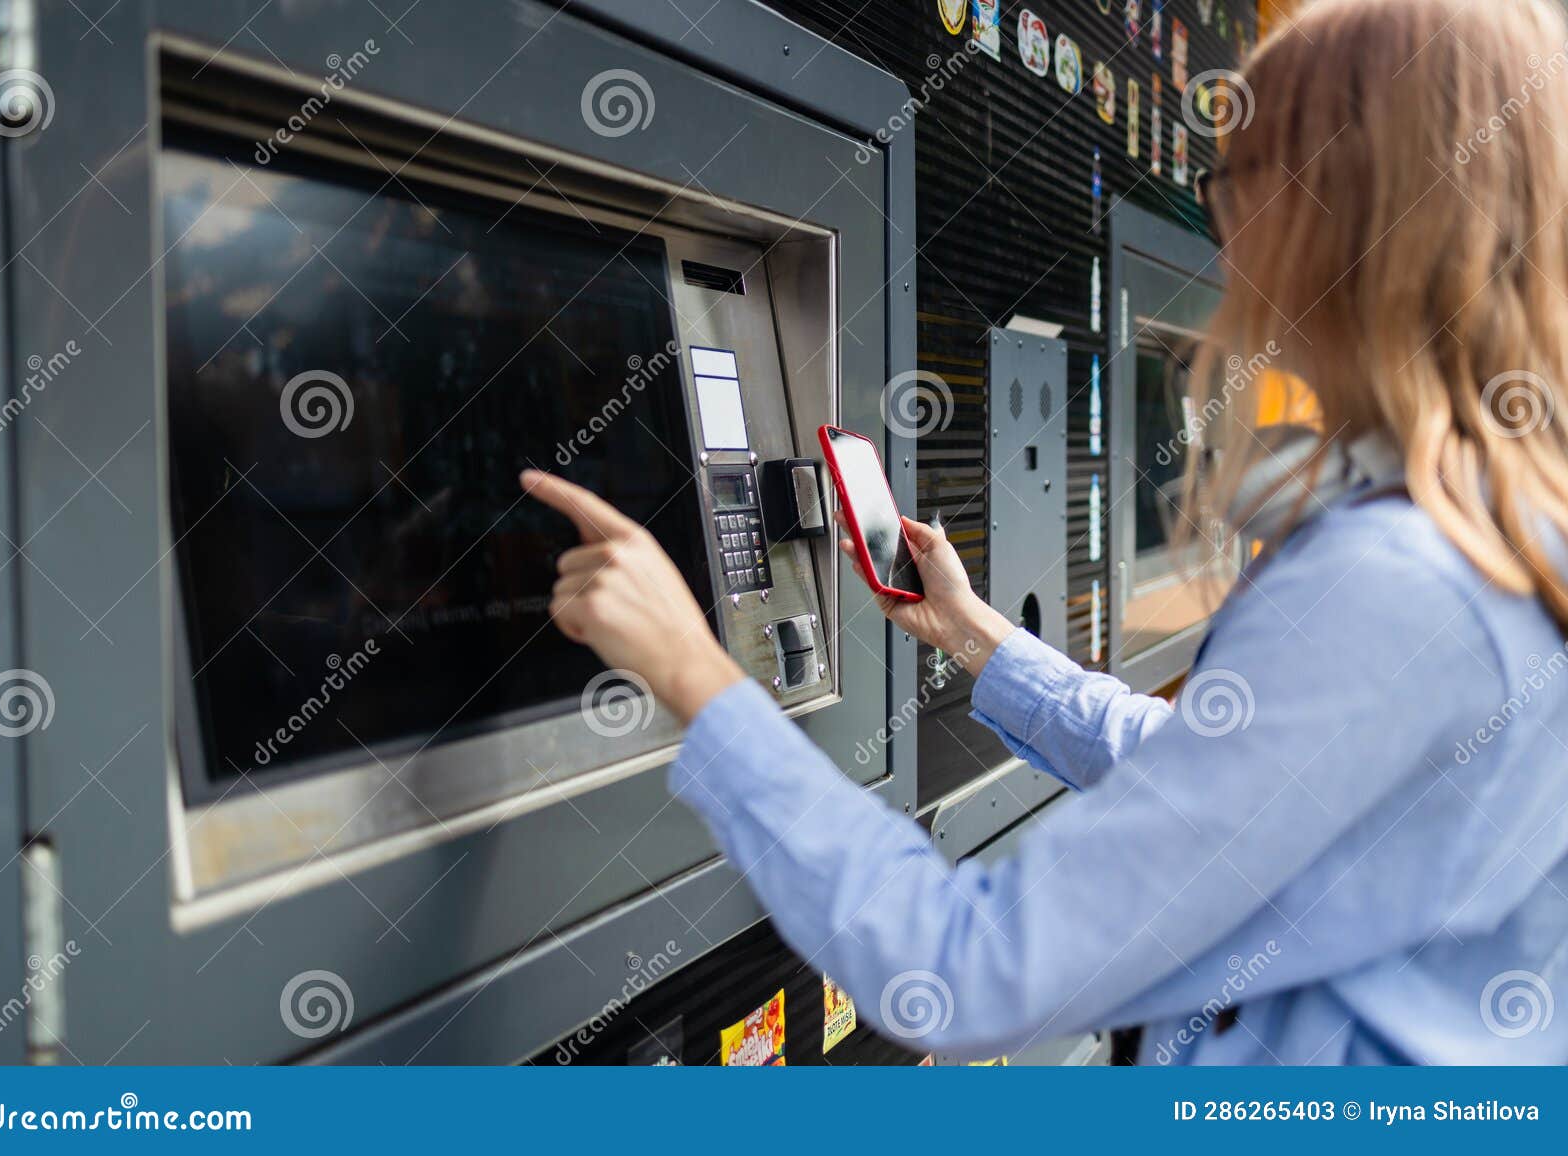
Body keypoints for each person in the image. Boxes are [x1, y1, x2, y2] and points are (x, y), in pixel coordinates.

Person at [522, 0, 1568, 1064]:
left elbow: (962, 972)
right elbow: (1236, 783)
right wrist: (980, 637)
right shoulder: (1505, 532)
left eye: (1235, 184)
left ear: (1333, 211)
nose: (1222, 243)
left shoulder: (1392, 586)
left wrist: (700, 677)